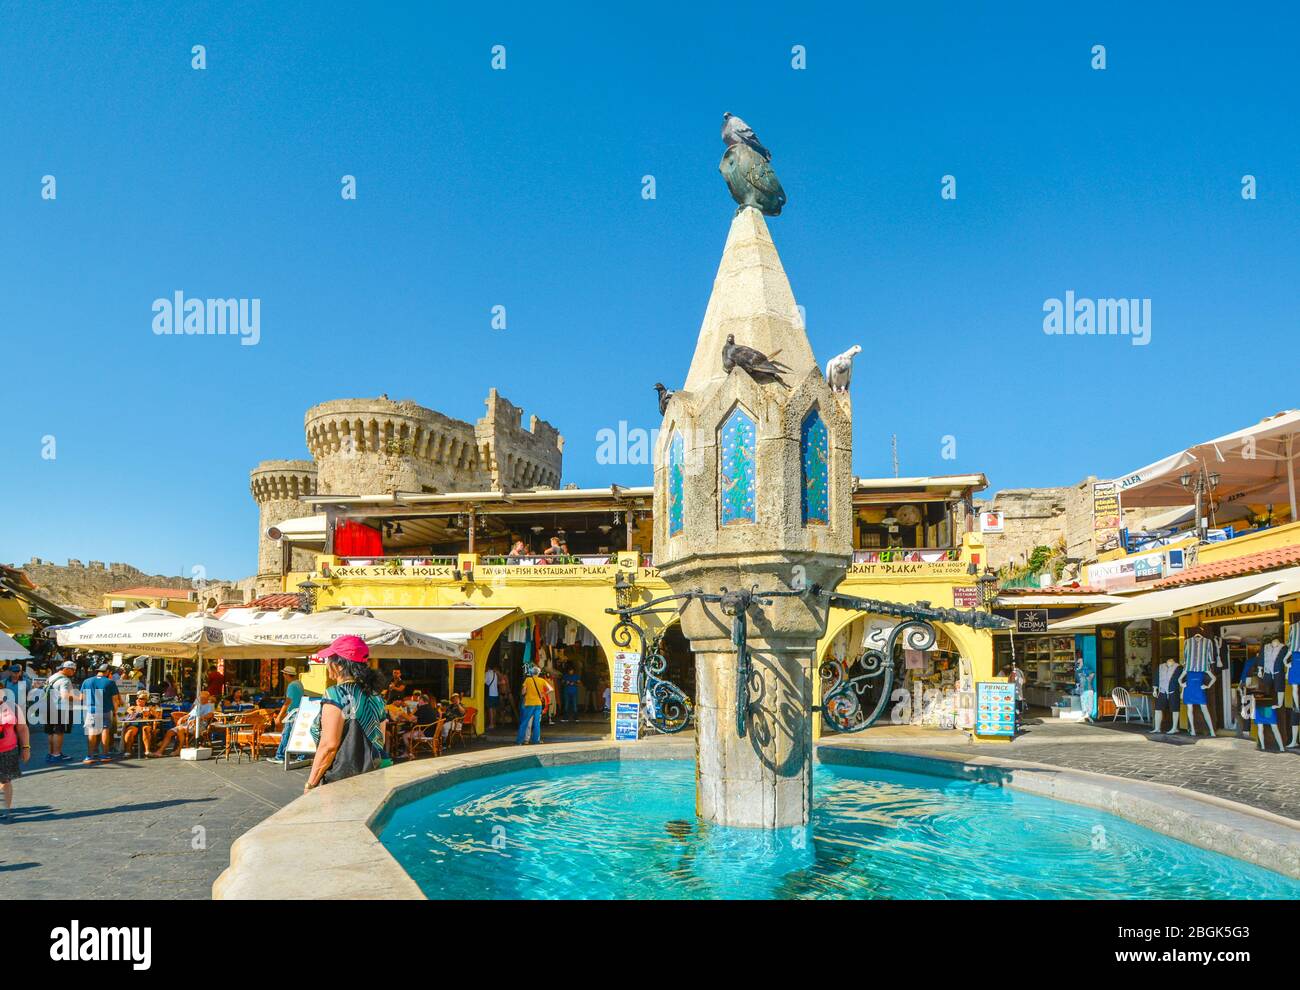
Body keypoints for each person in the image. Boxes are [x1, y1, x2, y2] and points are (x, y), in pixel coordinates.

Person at [305, 636, 388, 792]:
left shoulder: (336, 695)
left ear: (340, 665)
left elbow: (328, 746)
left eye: (330, 659)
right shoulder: (376, 696)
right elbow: (380, 738)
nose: (327, 664)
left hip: (342, 781)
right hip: (374, 777)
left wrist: (311, 783)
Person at [151, 691, 215, 756]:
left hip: (198, 726)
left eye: (203, 698)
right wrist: (182, 718)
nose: (201, 699)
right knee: (169, 732)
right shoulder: (197, 705)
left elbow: (210, 715)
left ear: (207, 698)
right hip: (188, 724)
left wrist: (199, 718)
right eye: (200, 697)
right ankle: (160, 751)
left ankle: (179, 750)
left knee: (180, 729)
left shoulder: (209, 706)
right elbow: (189, 714)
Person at [79, 664, 120, 764]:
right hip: (106, 709)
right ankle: (105, 755)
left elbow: (81, 698)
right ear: (108, 672)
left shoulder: (87, 681)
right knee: (105, 731)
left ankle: (89, 756)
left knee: (92, 732)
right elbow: (115, 700)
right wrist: (115, 711)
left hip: (91, 710)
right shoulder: (110, 682)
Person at [0, 689, 31, 821]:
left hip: (8, 750)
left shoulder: (12, 707)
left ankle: (5, 809)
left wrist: (26, 748)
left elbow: (23, 728)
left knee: (5, 780)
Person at [43, 659, 78, 763]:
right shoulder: (65, 680)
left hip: (49, 707)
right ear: (66, 669)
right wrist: (78, 697)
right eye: (73, 670)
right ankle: (56, 754)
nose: (74, 672)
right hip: (60, 709)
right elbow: (64, 695)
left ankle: (51, 753)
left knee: (50, 732)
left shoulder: (52, 677)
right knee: (59, 732)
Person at [273, 667, 305, 762]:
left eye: (284, 674)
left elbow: (288, 702)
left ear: (287, 674)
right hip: (299, 711)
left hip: (292, 713)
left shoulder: (291, 685)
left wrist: (279, 716)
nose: (283, 676)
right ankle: (301, 756)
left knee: (286, 734)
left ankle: (280, 755)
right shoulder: (299, 683)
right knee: (297, 734)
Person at [516, 665, 550, 745]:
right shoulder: (542, 680)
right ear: (538, 673)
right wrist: (543, 694)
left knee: (525, 722)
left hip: (529, 704)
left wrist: (525, 692)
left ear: (531, 672)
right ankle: (536, 740)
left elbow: (523, 692)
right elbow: (550, 689)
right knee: (537, 723)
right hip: (538, 704)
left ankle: (520, 740)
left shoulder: (528, 680)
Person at [484, 663, 501, 730]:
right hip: (496, 693)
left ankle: (491, 724)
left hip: (490, 693)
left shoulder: (487, 673)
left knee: (490, 709)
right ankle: (494, 723)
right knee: (494, 709)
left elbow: (484, 681)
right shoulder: (495, 673)